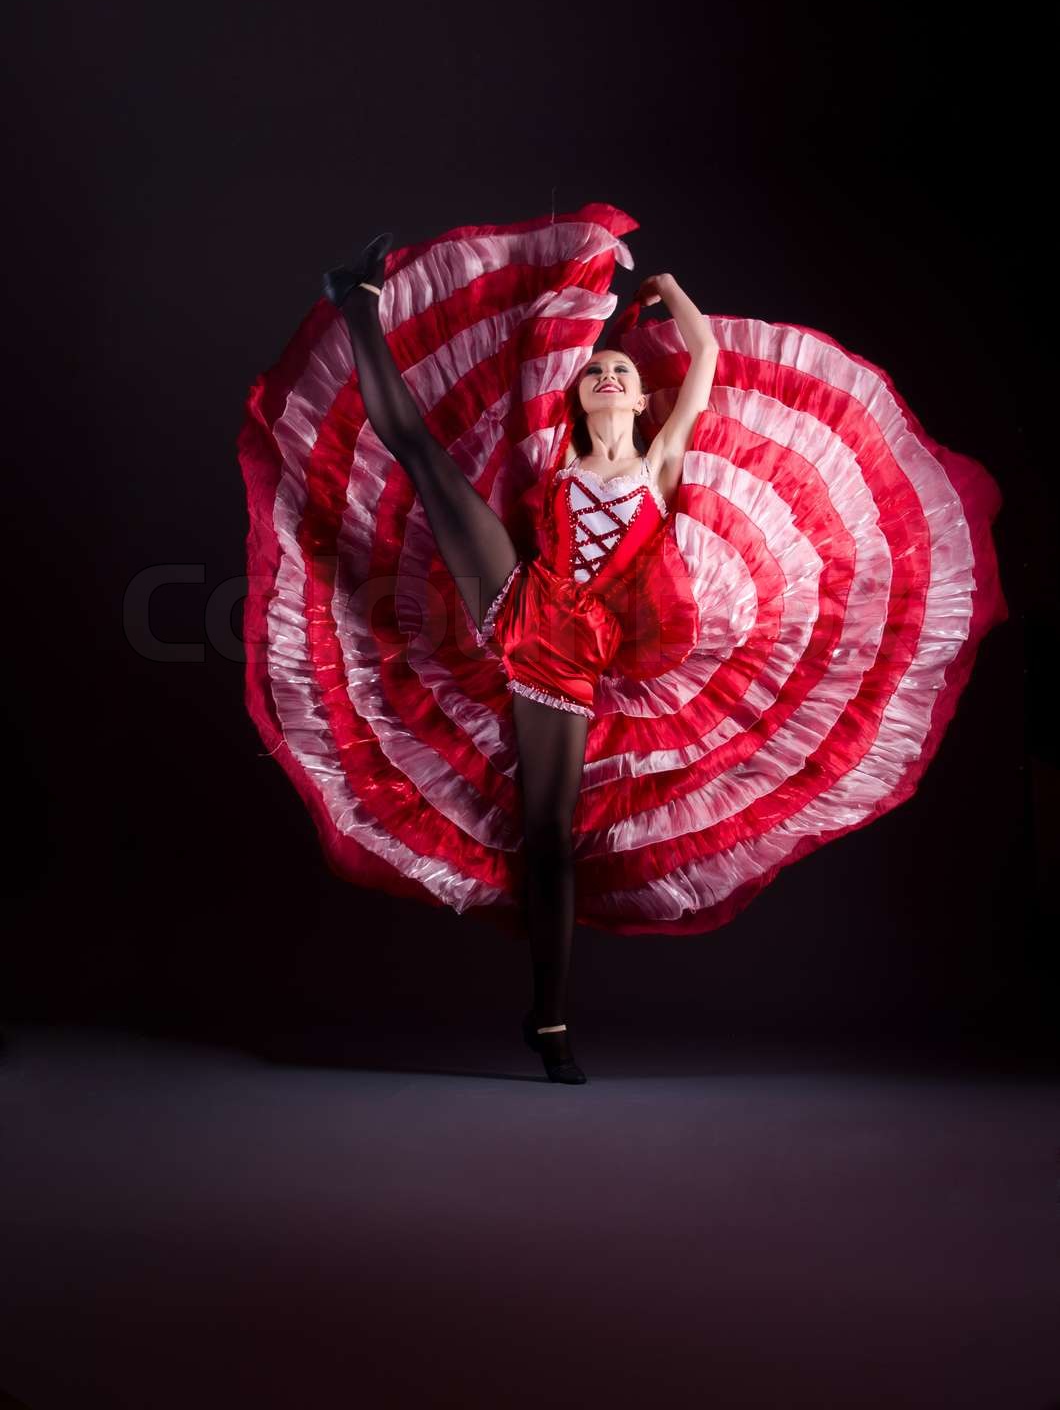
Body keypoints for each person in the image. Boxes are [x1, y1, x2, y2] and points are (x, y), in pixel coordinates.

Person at [238, 202, 1008, 1087]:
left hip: (571, 660)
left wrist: (671, 292)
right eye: (595, 368)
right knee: (419, 453)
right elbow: (511, 456)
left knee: (550, 838)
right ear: (582, 392)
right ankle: (357, 299)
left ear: (642, 398)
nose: (606, 375)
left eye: (618, 371)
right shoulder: (561, 457)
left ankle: (549, 1017)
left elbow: (707, 360)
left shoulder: (660, 461)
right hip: (517, 601)